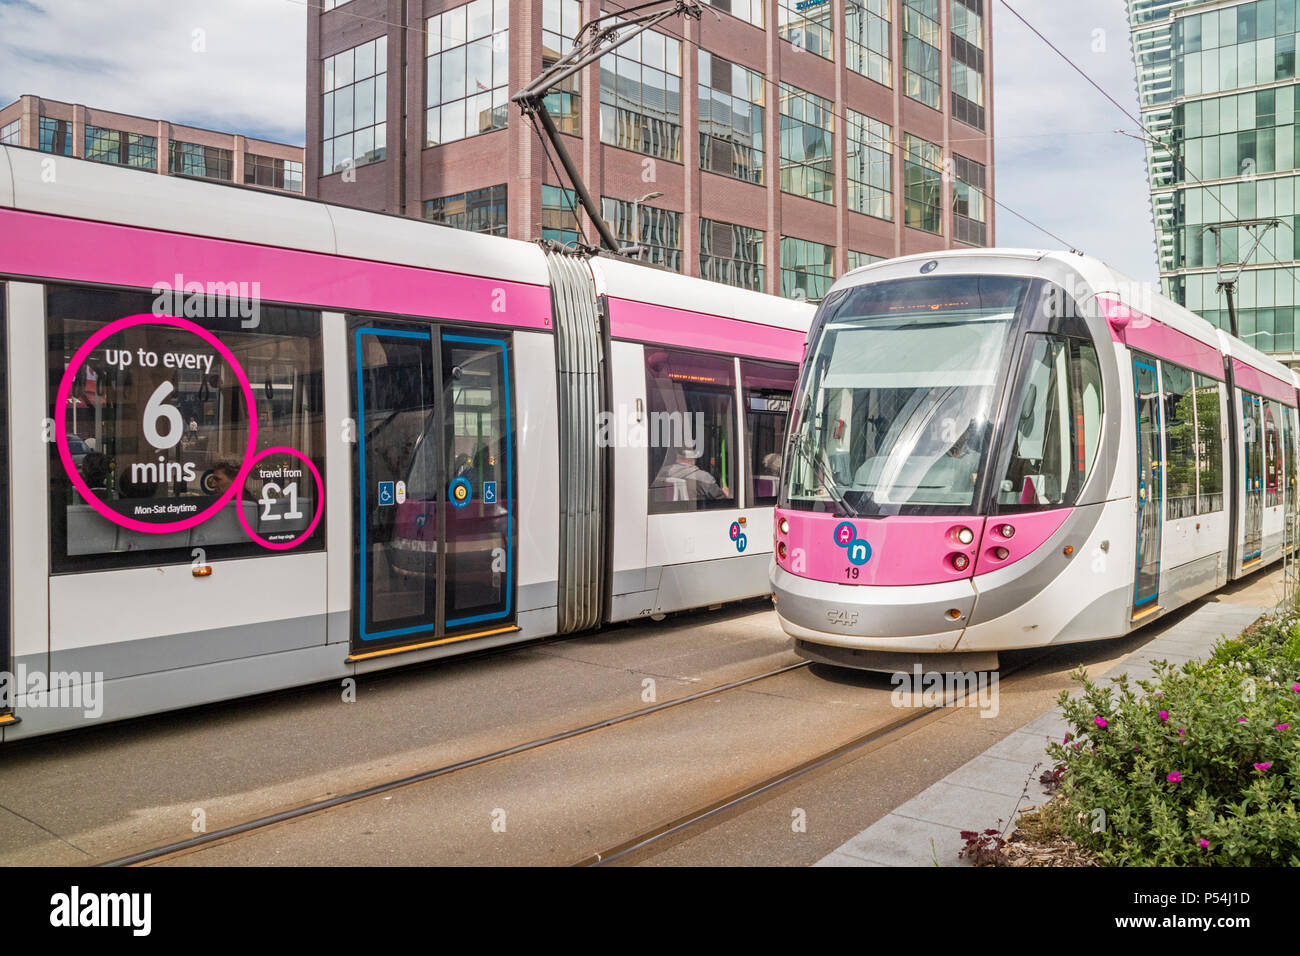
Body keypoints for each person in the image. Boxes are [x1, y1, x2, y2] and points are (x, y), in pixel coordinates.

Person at [652, 447, 727, 502]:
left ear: (677, 456)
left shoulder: (660, 473)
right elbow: (722, 501)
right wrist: (725, 494)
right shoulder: (703, 477)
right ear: (694, 458)